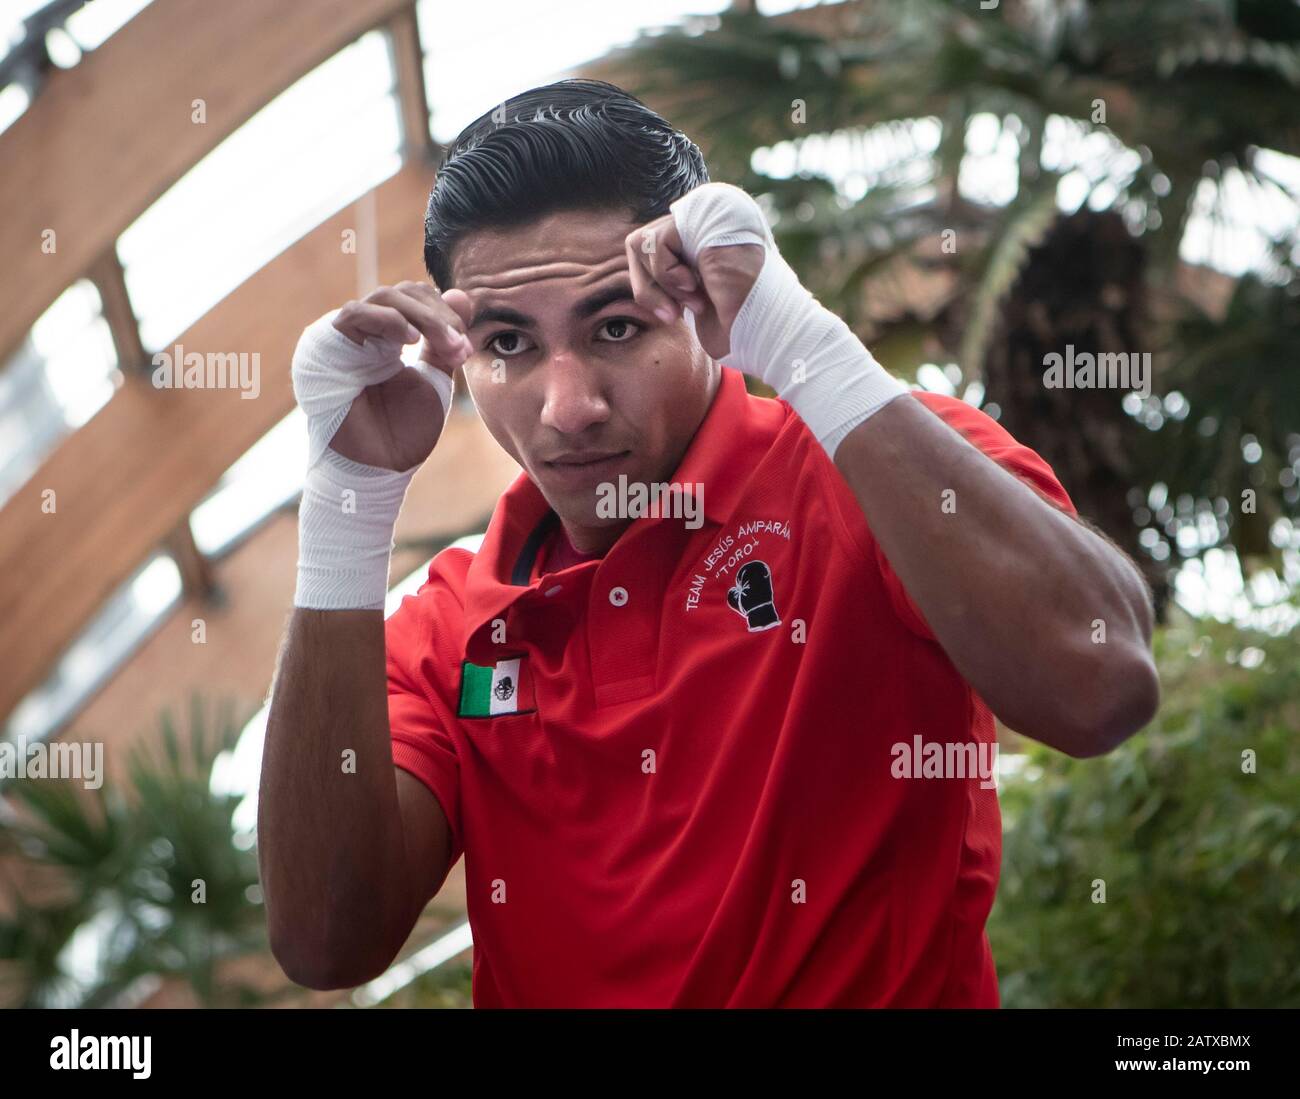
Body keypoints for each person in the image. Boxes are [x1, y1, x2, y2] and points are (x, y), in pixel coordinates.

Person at [258, 78, 1159, 1007]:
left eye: (616, 326)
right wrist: (346, 505)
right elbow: (327, 940)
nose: (568, 408)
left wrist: (802, 341)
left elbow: (1102, 686)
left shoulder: (869, 473)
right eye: (509, 344)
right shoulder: (446, 628)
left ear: (697, 302)